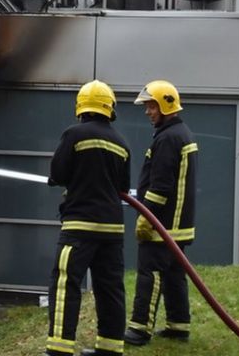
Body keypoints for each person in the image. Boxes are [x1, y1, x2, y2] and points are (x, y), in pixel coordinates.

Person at [45, 80, 129, 356]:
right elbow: (123, 189)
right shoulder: (122, 143)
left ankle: (59, 347)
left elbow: (58, 173)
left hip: (79, 226)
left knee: (65, 282)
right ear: (109, 108)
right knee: (110, 288)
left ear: (81, 107)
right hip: (113, 230)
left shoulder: (74, 134)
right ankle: (110, 347)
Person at [124, 80, 198, 346]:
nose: (147, 112)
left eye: (151, 106)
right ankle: (178, 326)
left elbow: (161, 186)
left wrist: (147, 216)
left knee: (150, 273)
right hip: (176, 224)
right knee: (174, 274)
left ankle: (139, 329)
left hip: (162, 223)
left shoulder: (168, 138)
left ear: (166, 105)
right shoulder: (180, 133)